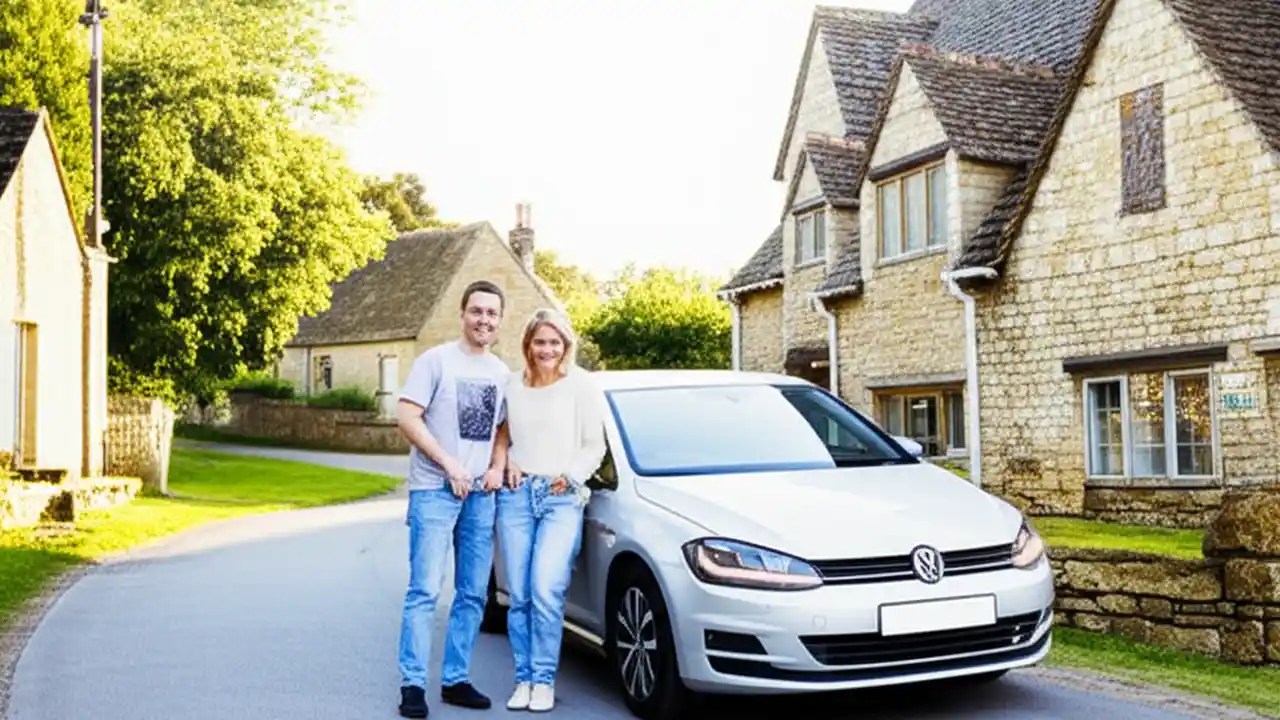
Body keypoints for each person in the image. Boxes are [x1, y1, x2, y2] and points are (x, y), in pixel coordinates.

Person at [394, 280, 511, 719]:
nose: (484, 319)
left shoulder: (501, 373)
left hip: (480, 496)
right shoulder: (435, 361)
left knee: (472, 594)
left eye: (492, 313)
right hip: (434, 490)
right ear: (462, 314)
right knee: (425, 590)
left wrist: (497, 465)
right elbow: (408, 417)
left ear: (500, 321)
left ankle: (455, 679)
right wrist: (448, 464)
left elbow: (503, 428)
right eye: (477, 311)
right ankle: (412, 684)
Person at [490, 308, 607, 713]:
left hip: (561, 498)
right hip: (517, 496)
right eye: (539, 342)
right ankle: (523, 679)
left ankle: (543, 681)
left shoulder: (581, 385)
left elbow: (594, 444)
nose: (547, 350)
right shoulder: (512, 385)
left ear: (566, 345)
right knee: (519, 594)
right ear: (528, 344)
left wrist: (572, 476)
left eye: (555, 342)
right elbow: (503, 433)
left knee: (545, 589)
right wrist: (508, 460)